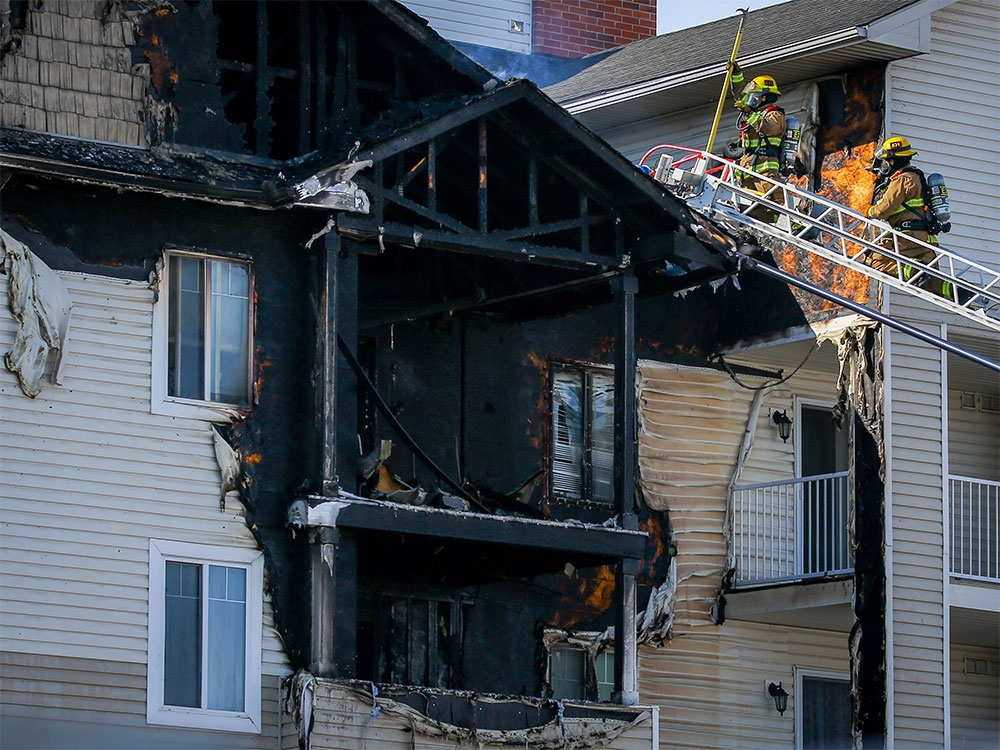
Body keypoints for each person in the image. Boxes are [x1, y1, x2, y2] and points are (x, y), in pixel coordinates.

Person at [865, 136, 953, 300]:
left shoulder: (902, 180)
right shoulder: (916, 177)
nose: (885, 165)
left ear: (893, 161)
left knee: (877, 261)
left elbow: (885, 209)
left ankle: (914, 270)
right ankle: (958, 292)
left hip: (906, 236)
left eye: (887, 161)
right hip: (925, 238)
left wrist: (870, 211)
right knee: (930, 280)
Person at [727, 64, 786, 222]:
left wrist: (749, 113)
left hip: (765, 171)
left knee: (772, 209)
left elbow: (767, 128)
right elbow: (741, 96)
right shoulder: (755, 112)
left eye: (756, 96)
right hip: (748, 170)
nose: (751, 100)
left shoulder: (775, 114)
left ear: (765, 96)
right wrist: (736, 75)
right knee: (742, 209)